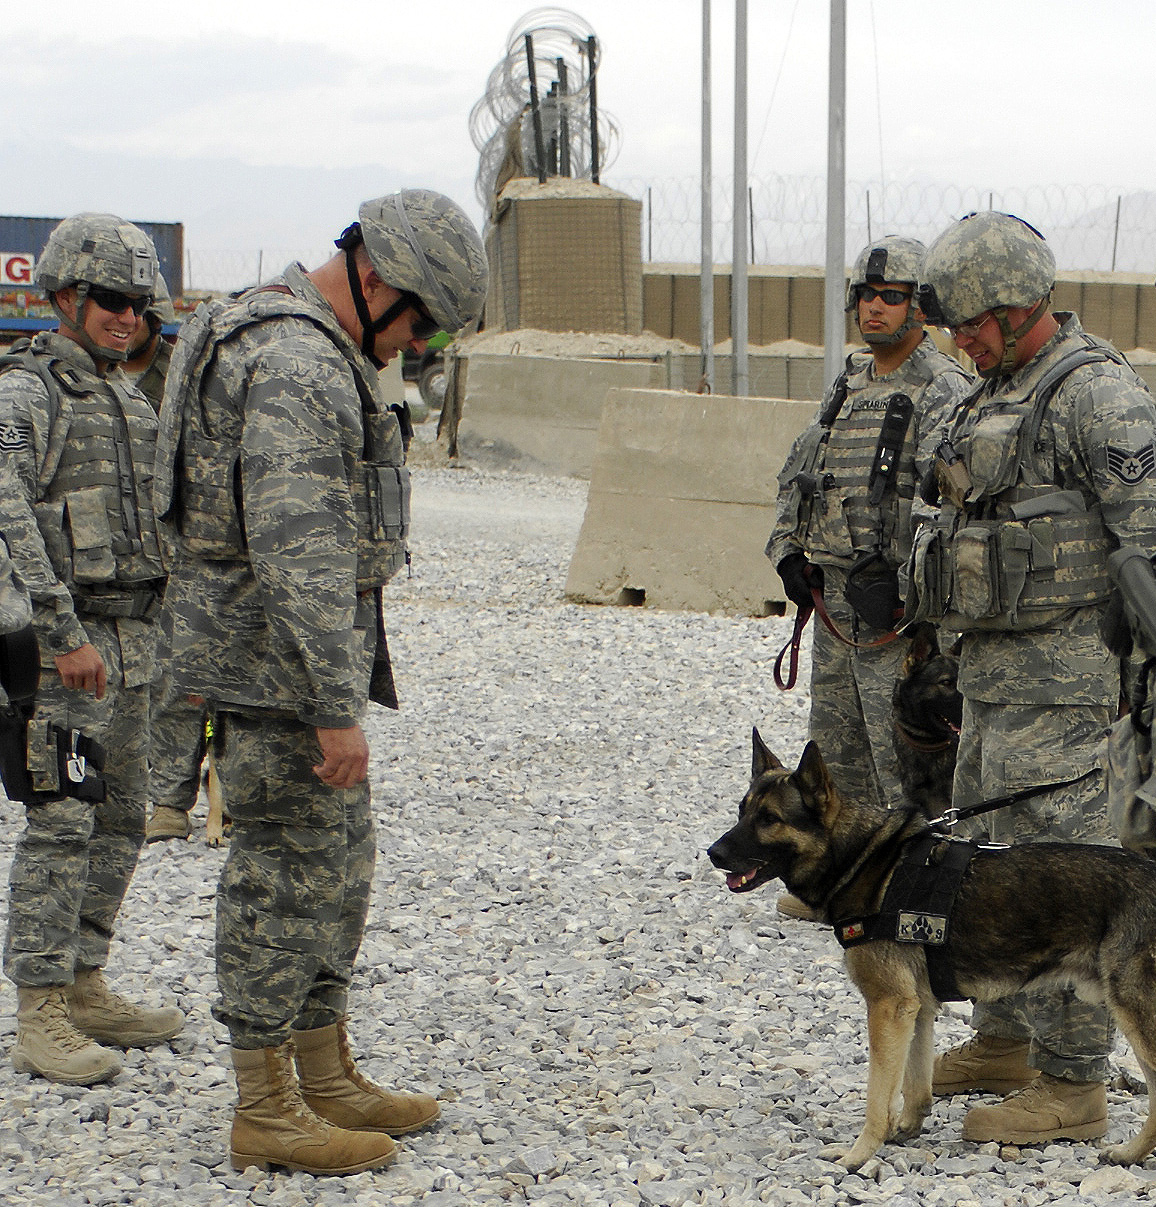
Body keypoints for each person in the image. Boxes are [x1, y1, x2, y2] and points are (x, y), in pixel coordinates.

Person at [154, 189, 487, 1175]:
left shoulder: (282, 336)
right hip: (278, 677)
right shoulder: (297, 358)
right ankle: (266, 1106)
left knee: (336, 871)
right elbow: (299, 548)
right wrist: (335, 709)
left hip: (283, 666)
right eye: (419, 317)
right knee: (282, 884)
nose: (416, 340)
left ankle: (322, 1071)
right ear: (375, 276)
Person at [911, 210, 1156, 1145]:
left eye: (974, 321)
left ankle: (1072, 1084)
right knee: (985, 868)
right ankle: (1004, 1038)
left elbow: (1148, 537)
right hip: (990, 680)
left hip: (1067, 686)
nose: (960, 339)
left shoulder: (1098, 397)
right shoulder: (989, 391)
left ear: (1023, 306)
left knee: (1065, 882)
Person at [0, 213, 184, 1086]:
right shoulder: (28, 390)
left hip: (136, 642)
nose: (128, 317)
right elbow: (5, 506)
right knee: (62, 821)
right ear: (65, 296)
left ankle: (85, 979)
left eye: (140, 304)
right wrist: (60, 631)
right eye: (112, 299)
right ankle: (38, 1007)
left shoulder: (124, 394)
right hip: (67, 648)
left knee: (121, 818)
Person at [767, 236, 972, 830]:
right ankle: (846, 883)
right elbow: (802, 472)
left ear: (920, 305)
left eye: (892, 295)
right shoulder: (849, 382)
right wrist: (789, 554)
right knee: (836, 753)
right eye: (866, 294)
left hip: (895, 611)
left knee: (900, 758)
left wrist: (911, 589)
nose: (874, 307)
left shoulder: (942, 388)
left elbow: (944, 498)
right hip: (834, 598)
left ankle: (910, 887)